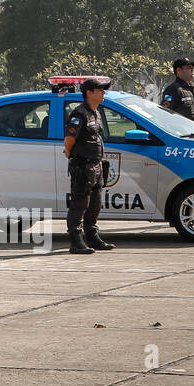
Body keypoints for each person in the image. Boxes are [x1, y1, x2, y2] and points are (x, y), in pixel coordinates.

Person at [62, 78, 116, 254]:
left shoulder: (96, 112)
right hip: (83, 166)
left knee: (95, 204)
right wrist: (70, 153)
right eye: (100, 90)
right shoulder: (80, 114)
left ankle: (92, 237)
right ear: (89, 93)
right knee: (79, 204)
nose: (103, 93)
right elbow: (69, 139)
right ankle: (76, 242)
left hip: (96, 165)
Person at [160, 57, 194, 124]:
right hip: (182, 133)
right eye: (189, 67)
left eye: (193, 67)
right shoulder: (173, 89)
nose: (192, 69)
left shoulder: (193, 87)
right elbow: (165, 114)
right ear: (179, 70)